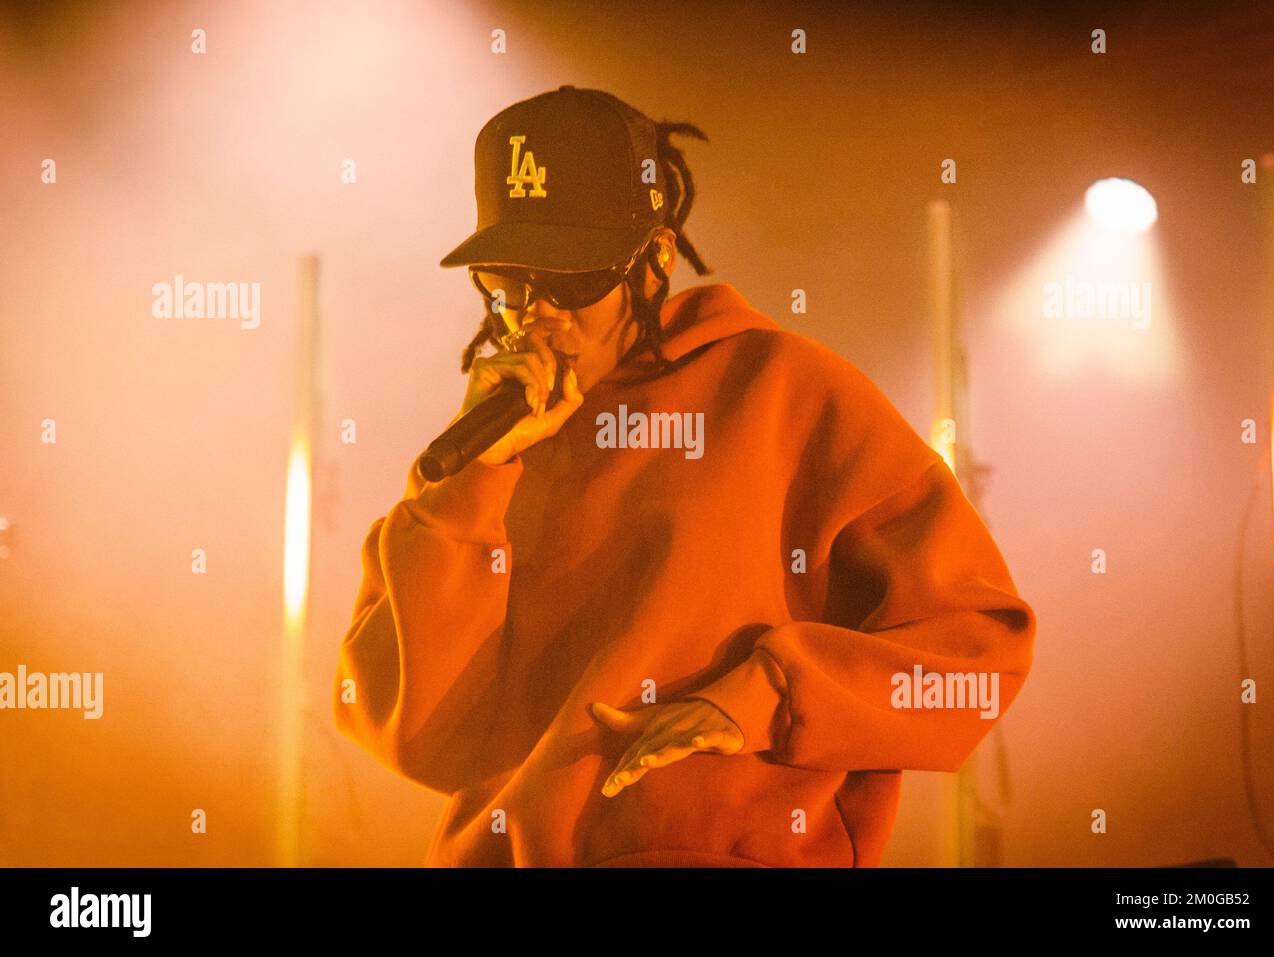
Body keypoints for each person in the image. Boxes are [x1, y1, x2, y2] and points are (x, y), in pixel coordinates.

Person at [332, 85, 1037, 867]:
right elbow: (415, 736)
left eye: (570, 280)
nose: (536, 316)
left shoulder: (782, 392)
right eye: (507, 285)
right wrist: (468, 488)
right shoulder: (490, 449)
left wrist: (766, 698)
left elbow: (979, 646)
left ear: (656, 257)